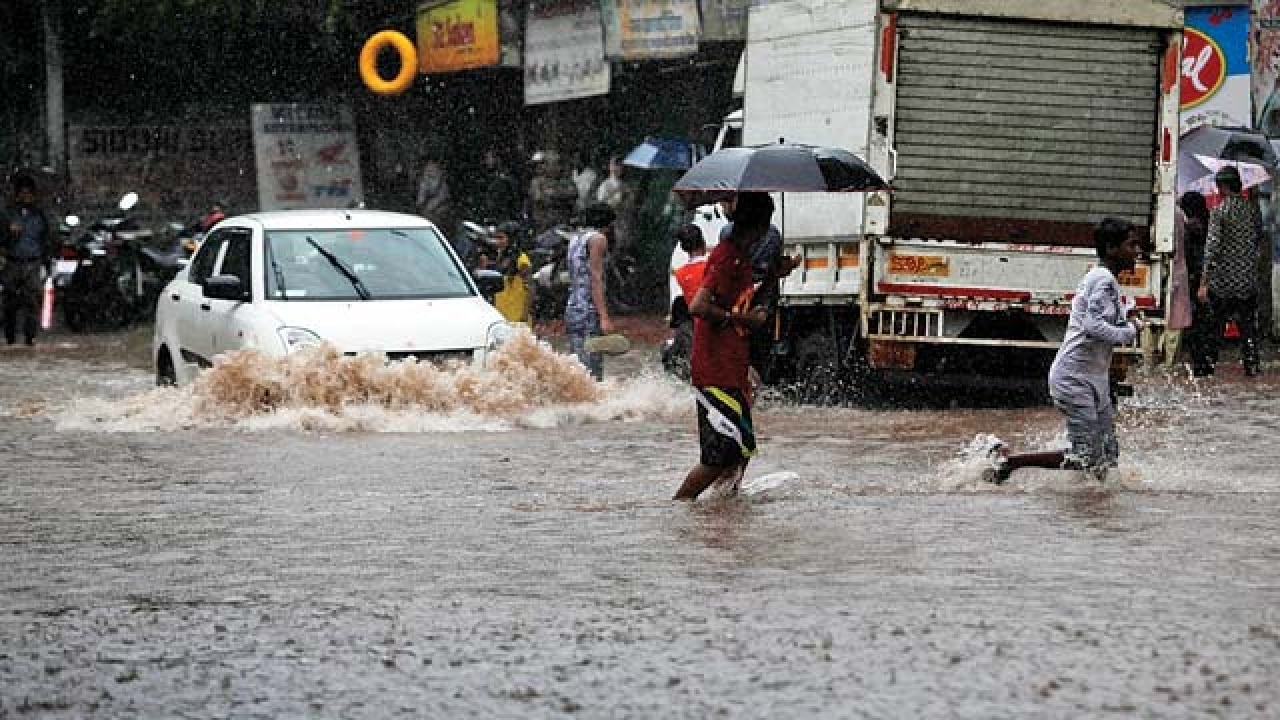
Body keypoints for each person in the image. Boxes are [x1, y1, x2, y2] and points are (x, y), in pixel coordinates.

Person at [987, 217, 1145, 484]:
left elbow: (1103, 317)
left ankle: (1096, 501)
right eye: (1131, 245)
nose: (1137, 252)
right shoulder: (1102, 279)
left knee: (1108, 455)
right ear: (1111, 248)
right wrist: (1131, 330)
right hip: (1074, 378)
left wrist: (1128, 315)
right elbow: (1093, 326)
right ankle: (1010, 462)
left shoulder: (1106, 280)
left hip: (1092, 378)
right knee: (1087, 457)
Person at [673, 192, 777, 501]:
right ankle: (680, 505)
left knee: (742, 448)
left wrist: (774, 275)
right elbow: (699, 306)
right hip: (715, 367)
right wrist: (740, 319)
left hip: (732, 363)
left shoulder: (739, 257)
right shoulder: (725, 256)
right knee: (717, 457)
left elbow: (742, 300)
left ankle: (724, 507)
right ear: (759, 224)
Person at [1196, 165, 1263, 377]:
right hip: (1247, 281)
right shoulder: (1252, 211)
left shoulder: (1219, 212)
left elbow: (1212, 249)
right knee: (1248, 327)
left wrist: (1204, 282)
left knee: (1215, 327)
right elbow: (1258, 239)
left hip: (1223, 282)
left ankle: (1208, 366)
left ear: (1223, 186)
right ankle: (1252, 364)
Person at [564, 203, 616, 379]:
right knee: (592, 368)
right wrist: (604, 316)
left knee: (576, 362)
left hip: (572, 306)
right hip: (588, 308)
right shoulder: (598, 239)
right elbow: (595, 278)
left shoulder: (575, 238)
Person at [2, 173, 54, 346]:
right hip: (13, 262)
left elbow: (47, 239)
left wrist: (47, 262)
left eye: (28, 193)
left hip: (33, 263)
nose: (26, 197)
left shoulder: (40, 216)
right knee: (10, 302)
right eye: (22, 193)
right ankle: (10, 337)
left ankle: (29, 338)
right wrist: (9, 233)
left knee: (32, 302)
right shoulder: (8, 215)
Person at [1180, 191, 1213, 376]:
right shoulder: (1209, 223)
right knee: (1206, 323)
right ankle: (1206, 361)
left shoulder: (1192, 227)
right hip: (1209, 279)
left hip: (1195, 279)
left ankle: (1199, 363)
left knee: (1196, 323)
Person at [1158, 203, 1192, 369]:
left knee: (1151, 314)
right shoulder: (1180, 214)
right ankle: (1169, 361)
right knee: (1176, 314)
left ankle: (1149, 358)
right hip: (1177, 267)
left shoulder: (1159, 210)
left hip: (1160, 266)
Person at [490, 221, 533, 324]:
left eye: (501, 238)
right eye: (496, 238)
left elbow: (530, 289)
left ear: (512, 239)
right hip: (501, 315)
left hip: (517, 317)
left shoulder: (521, 260)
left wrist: (524, 316)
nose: (497, 242)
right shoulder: (500, 258)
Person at [528, 151, 578, 233]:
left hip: (563, 225)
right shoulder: (537, 182)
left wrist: (553, 194)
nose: (557, 167)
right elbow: (540, 199)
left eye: (558, 164)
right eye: (553, 164)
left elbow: (573, 194)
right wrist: (560, 197)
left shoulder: (566, 181)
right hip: (544, 226)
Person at [416, 155, 455, 237]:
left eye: (432, 174)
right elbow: (421, 199)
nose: (427, 179)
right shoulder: (424, 184)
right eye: (426, 173)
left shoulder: (443, 193)